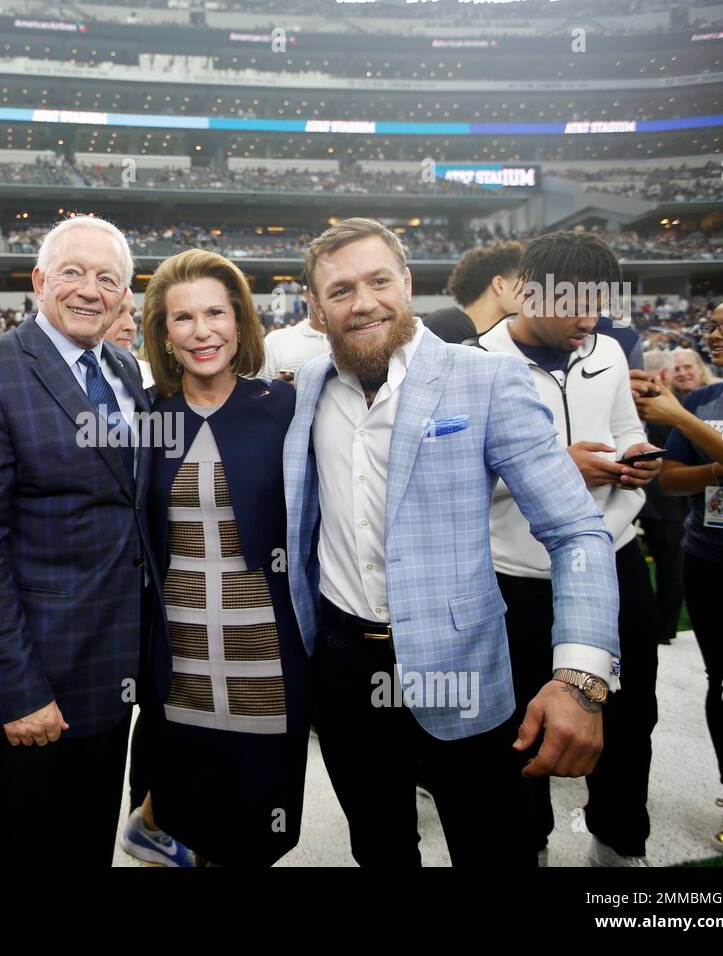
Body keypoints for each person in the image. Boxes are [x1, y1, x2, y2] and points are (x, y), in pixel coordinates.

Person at [284, 219, 620, 867]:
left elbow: (575, 529)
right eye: (341, 290)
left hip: (462, 667)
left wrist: (580, 678)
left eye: (380, 280)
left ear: (406, 284)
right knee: (380, 848)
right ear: (316, 311)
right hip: (343, 673)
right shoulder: (305, 389)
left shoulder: (484, 379)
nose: (364, 302)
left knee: (493, 849)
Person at [0, 215, 152, 867]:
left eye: (107, 278)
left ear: (125, 295)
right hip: (31, 685)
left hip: (110, 680)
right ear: (38, 281)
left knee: (87, 850)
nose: (90, 290)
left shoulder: (123, 369)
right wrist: (16, 687)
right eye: (72, 273)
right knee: (19, 854)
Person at [474, 231, 661, 867]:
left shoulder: (606, 350)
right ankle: (529, 846)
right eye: (574, 304)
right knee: (522, 726)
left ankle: (619, 842)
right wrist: (557, 470)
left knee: (631, 715)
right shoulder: (473, 362)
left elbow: (627, 429)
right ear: (526, 292)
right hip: (518, 576)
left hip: (613, 557)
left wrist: (635, 460)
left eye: (597, 304)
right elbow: (459, 481)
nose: (589, 319)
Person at [124, 249, 308, 867]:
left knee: (258, 830)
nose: (202, 332)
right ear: (164, 334)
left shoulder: (283, 408)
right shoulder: (146, 416)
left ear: (240, 321)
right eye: (183, 319)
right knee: (187, 822)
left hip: (267, 652)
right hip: (180, 654)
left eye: (215, 314)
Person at [635, 286, 723, 859]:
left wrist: (690, 431)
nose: (715, 334)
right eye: (712, 326)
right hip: (714, 563)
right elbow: (670, 478)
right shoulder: (704, 401)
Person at [635, 351, 689, 646]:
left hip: (632, 491)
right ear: (665, 375)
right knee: (670, 566)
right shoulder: (675, 407)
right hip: (665, 498)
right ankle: (664, 627)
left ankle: (650, 625)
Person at [423, 240, 524, 344]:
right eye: (525, 287)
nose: (532, 295)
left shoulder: (497, 341)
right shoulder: (447, 324)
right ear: (499, 285)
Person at [258, 286, 330, 383]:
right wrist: (280, 392)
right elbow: (259, 393)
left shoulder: (355, 341)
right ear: (306, 293)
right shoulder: (275, 341)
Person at [104, 287, 153, 388]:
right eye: (117, 312)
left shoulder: (150, 378)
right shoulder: (68, 379)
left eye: (132, 315)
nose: (132, 326)